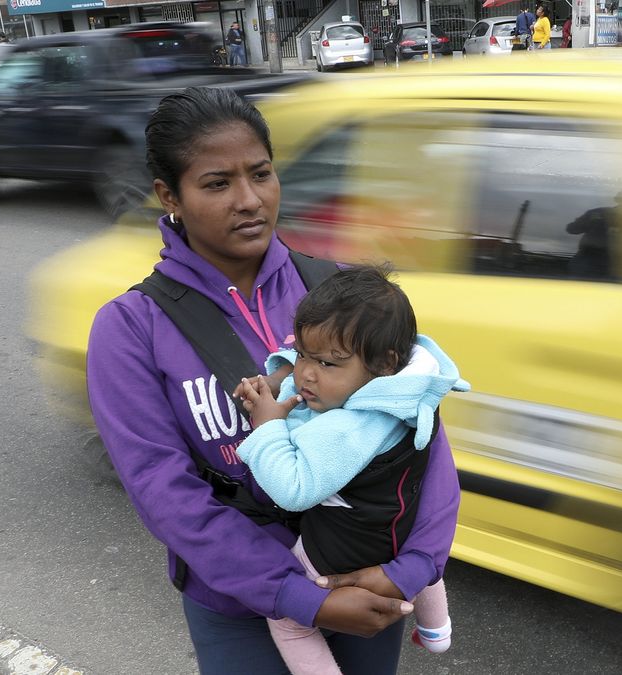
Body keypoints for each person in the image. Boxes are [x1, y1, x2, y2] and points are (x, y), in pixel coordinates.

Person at [86, 87, 461, 675]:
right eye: (217, 183)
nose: (249, 200)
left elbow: (421, 431)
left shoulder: (340, 290)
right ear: (169, 196)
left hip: (367, 583)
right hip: (241, 608)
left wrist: (411, 568)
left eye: (261, 174)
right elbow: (165, 492)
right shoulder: (132, 328)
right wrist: (301, 598)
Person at [232, 265, 468, 674]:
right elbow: (318, 364)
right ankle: (436, 630)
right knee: (421, 562)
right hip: (400, 524)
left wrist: (268, 426)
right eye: (302, 353)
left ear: (383, 363)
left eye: (326, 363)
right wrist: (287, 374)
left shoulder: (349, 428)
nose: (305, 372)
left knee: (288, 624)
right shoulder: (413, 384)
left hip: (346, 546)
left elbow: (294, 489)